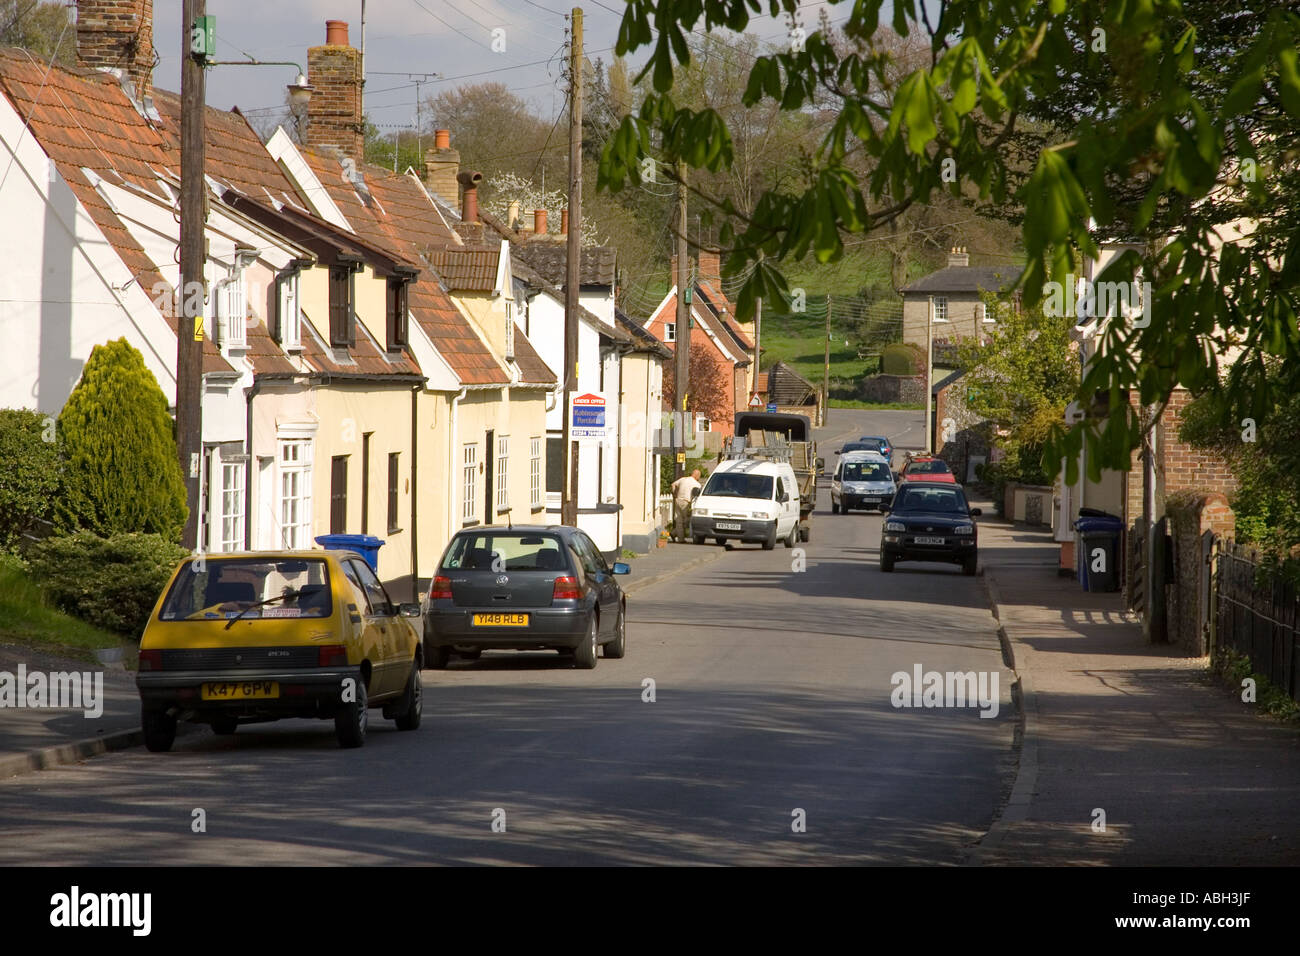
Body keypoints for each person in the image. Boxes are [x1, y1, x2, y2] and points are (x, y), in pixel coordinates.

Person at [670, 468, 702, 543]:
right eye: (699, 476)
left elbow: (673, 484)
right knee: (686, 521)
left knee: (679, 520)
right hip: (686, 502)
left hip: (678, 500)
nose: (699, 478)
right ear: (697, 476)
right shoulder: (697, 484)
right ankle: (680, 539)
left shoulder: (683, 479)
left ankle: (674, 533)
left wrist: (674, 494)